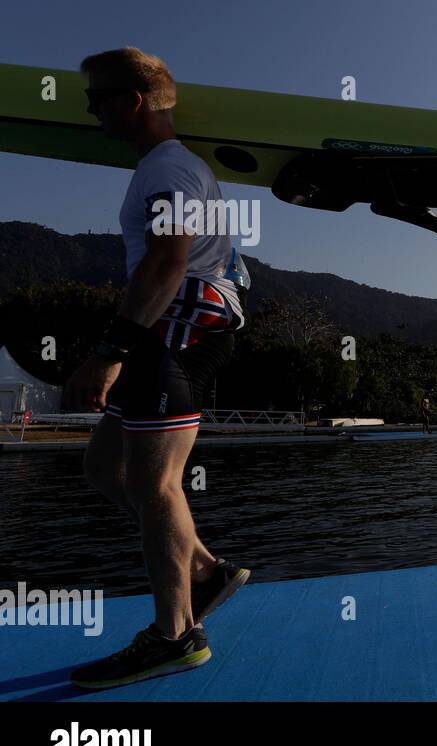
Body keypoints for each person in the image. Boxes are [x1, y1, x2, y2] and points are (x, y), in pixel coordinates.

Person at [64, 48, 251, 689]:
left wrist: (108, 354)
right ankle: (204, 570)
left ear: (133, 101)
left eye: (97, 99)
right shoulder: (165, 167)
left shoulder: (169, 168)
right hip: (173, 318)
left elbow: (168, 260)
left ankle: (175, 636)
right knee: (103, 467)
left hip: (178, 318)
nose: (91, 111)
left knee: (154, 482)